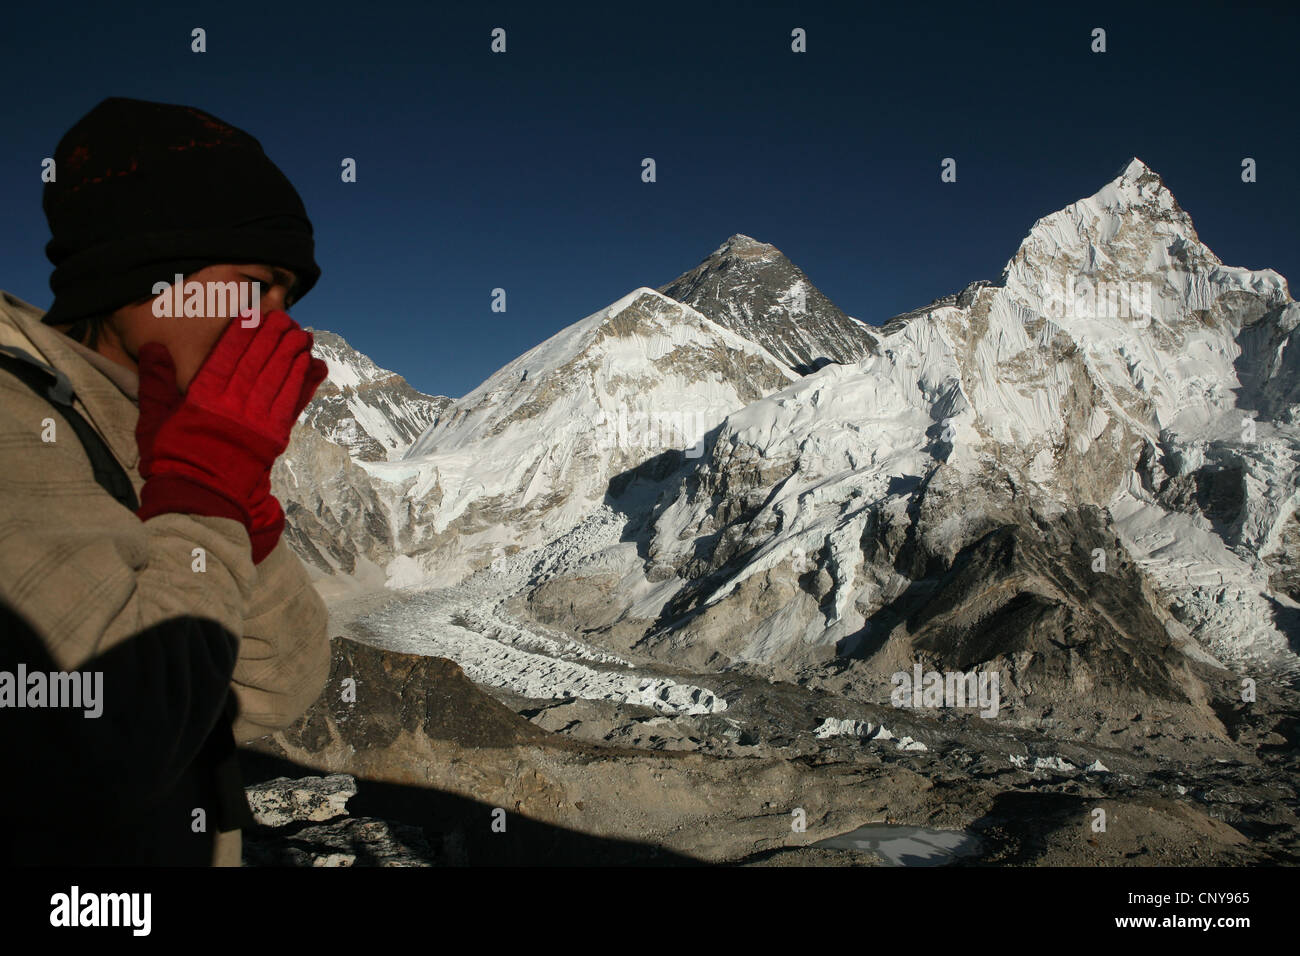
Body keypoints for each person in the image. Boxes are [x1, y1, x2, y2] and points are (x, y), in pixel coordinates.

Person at [0, 97, 332, 865]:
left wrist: (231, 504)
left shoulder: (149, 436)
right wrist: (206, 489)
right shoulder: (15, 419)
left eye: (290, 295)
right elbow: (95, 746)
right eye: (255, 284)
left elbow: (280, 684)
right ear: (149, 270)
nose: (277, 325)